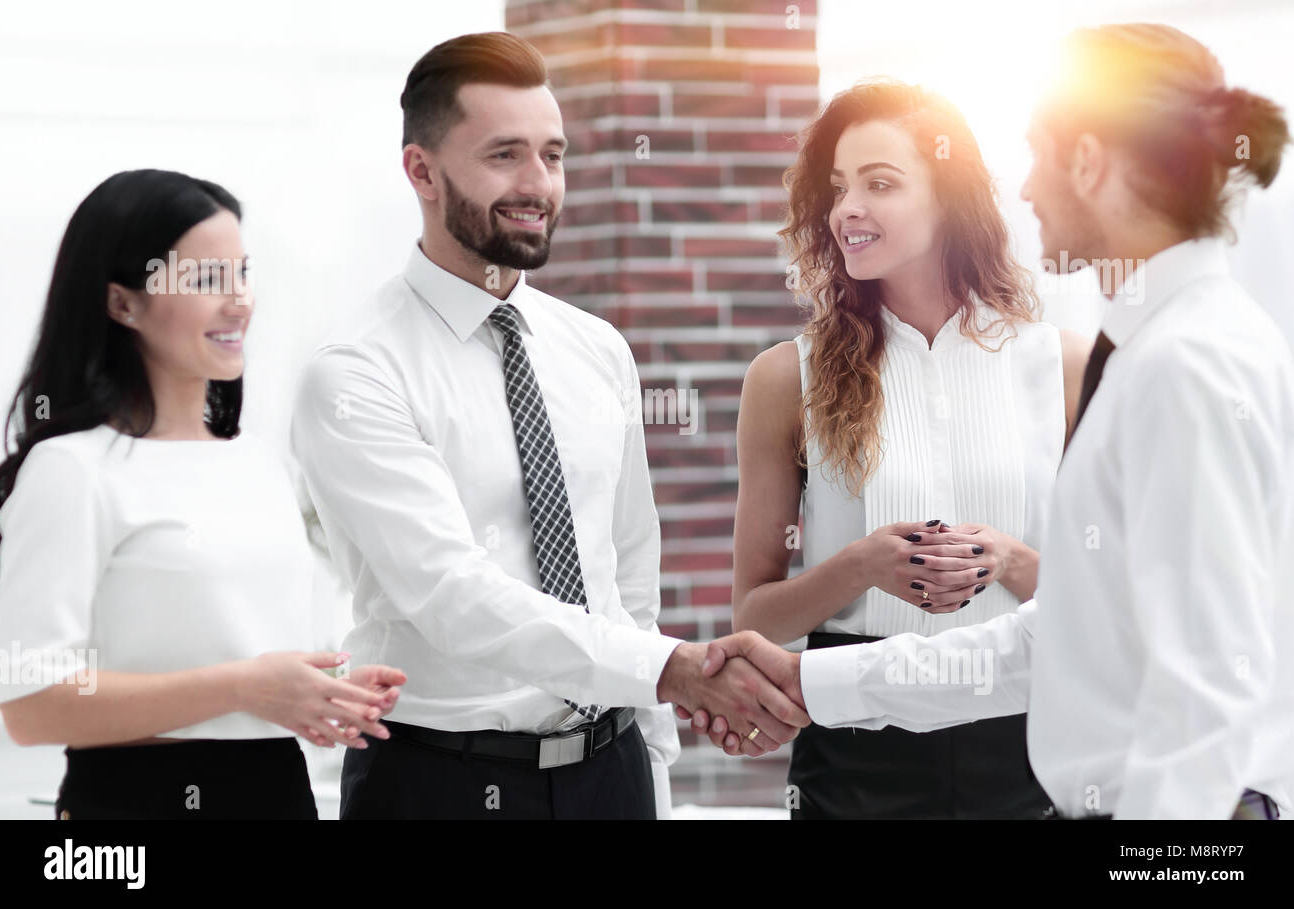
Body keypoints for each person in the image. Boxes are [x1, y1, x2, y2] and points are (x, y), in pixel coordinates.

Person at [683, 23, 1294, 820]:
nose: (1028, 188)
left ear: (1088, 162)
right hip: (867, 762)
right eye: (839, 186)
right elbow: (1065, 632)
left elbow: (1206, 683)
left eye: (1039, 153)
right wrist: (810, 676)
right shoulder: (1162, 348)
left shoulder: (1179, 364)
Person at [288, 32, 809, 821]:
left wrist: (653, 771)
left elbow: (627, 576)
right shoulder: (357, 372)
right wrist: (672, 667)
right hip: (442, 785)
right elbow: (454, 595)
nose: (539, 185)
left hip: (612, 771)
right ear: (421, 172)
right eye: (505, 155)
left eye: (554, 155)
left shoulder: (595, 349)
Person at [724, 79, 1090, 818]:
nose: (847, 209)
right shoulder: (782, 378)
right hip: (856, 754)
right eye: (837, 189)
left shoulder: (1065, 365)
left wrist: (1012, 561)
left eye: (880, 184)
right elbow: (755, 619)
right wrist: (863, 565)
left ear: (948, 196)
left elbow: (1113, 601)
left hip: (1029, 744)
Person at [0, 169, 407, 820]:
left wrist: (326, 690)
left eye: (241, 274)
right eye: (206, 279)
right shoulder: (71, 470)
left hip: (278, 793)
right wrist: (247, 687)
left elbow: (248, 651)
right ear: (122, 303)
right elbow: (29, 704)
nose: (238, 299)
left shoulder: (262, 465)